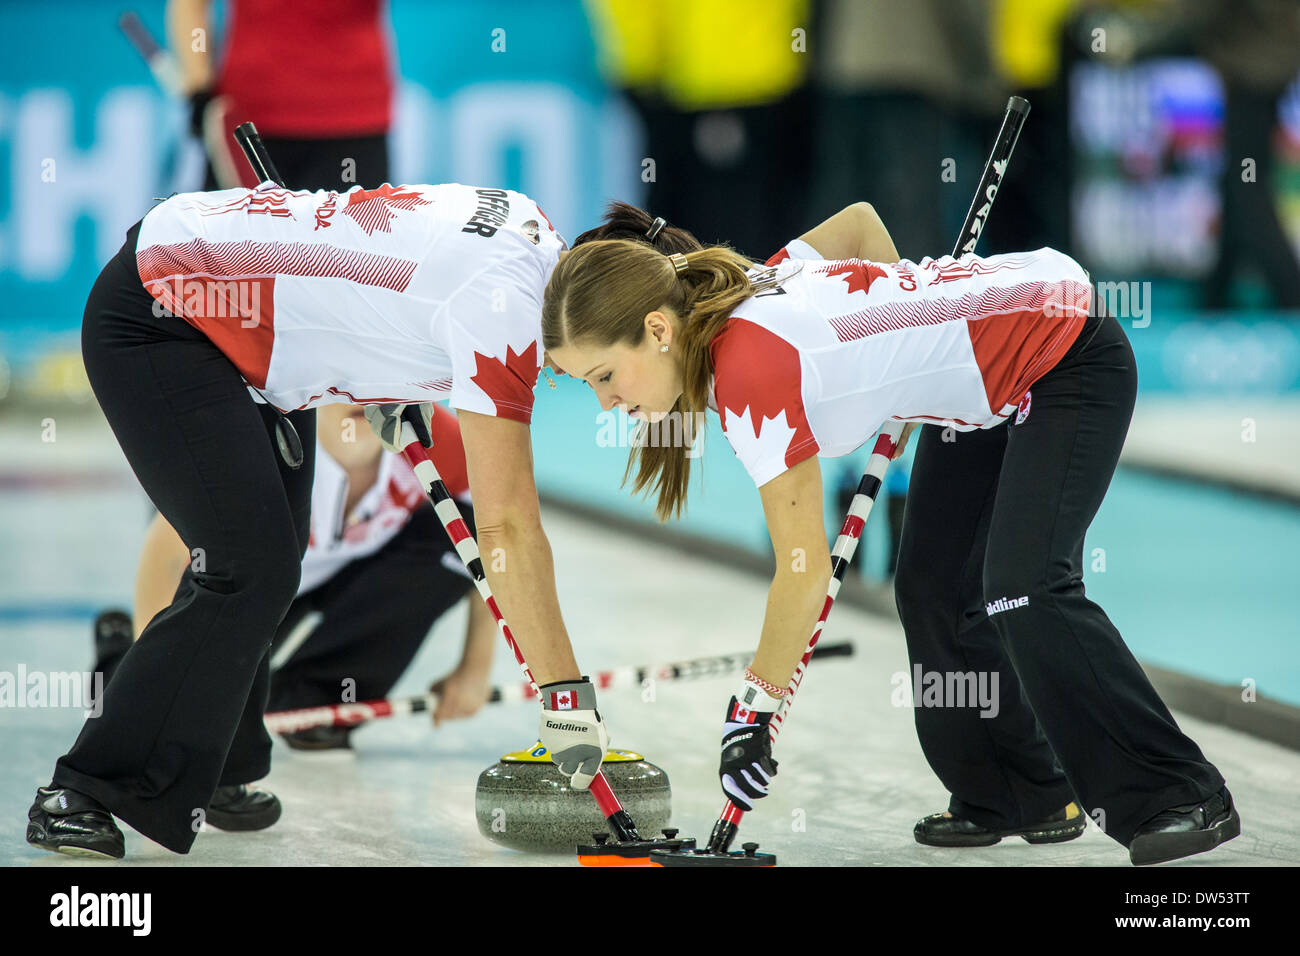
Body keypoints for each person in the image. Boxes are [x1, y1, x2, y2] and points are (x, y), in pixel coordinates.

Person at [540, 201, 1239, 866]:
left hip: (1062, 351)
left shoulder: (748, 372)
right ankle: (1018, 793)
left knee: (1026, 589)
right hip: (978, 390)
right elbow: (858, 226)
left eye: (604, 375)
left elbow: (804, 570)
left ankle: (1181, 794)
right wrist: (901, 350)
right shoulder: (741, 290)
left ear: (659, 331)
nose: (607, 401)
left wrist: (751, 710)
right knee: (933, 586)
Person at [26, 180, 609, 860]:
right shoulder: (504, 324)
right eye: (599, 375)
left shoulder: (532, 228)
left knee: (271, 562)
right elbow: (508, 527)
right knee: (247, 564)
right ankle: (83, 789)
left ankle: (210, 769)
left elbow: (398, 261)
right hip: (168, 313)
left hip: (255, 332)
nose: (585, 388)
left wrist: (394, 373)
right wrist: (566, 697)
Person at [90, 402, 495, 756]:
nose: (366, 395)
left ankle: (316, 697)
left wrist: (475, 668)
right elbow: (166, 550)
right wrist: (158, 671)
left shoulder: (435, 438)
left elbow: (490, 539)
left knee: (464, 528)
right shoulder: (262, 439)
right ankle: (119, 650)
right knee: (161, 697)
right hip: (241, 586)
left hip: (338, 574)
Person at [169, 0, 394, 190]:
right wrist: (199, 85)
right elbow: (191, 6)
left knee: (348, 242)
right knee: (236, 244)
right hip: (248, 130)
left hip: (352, 130)